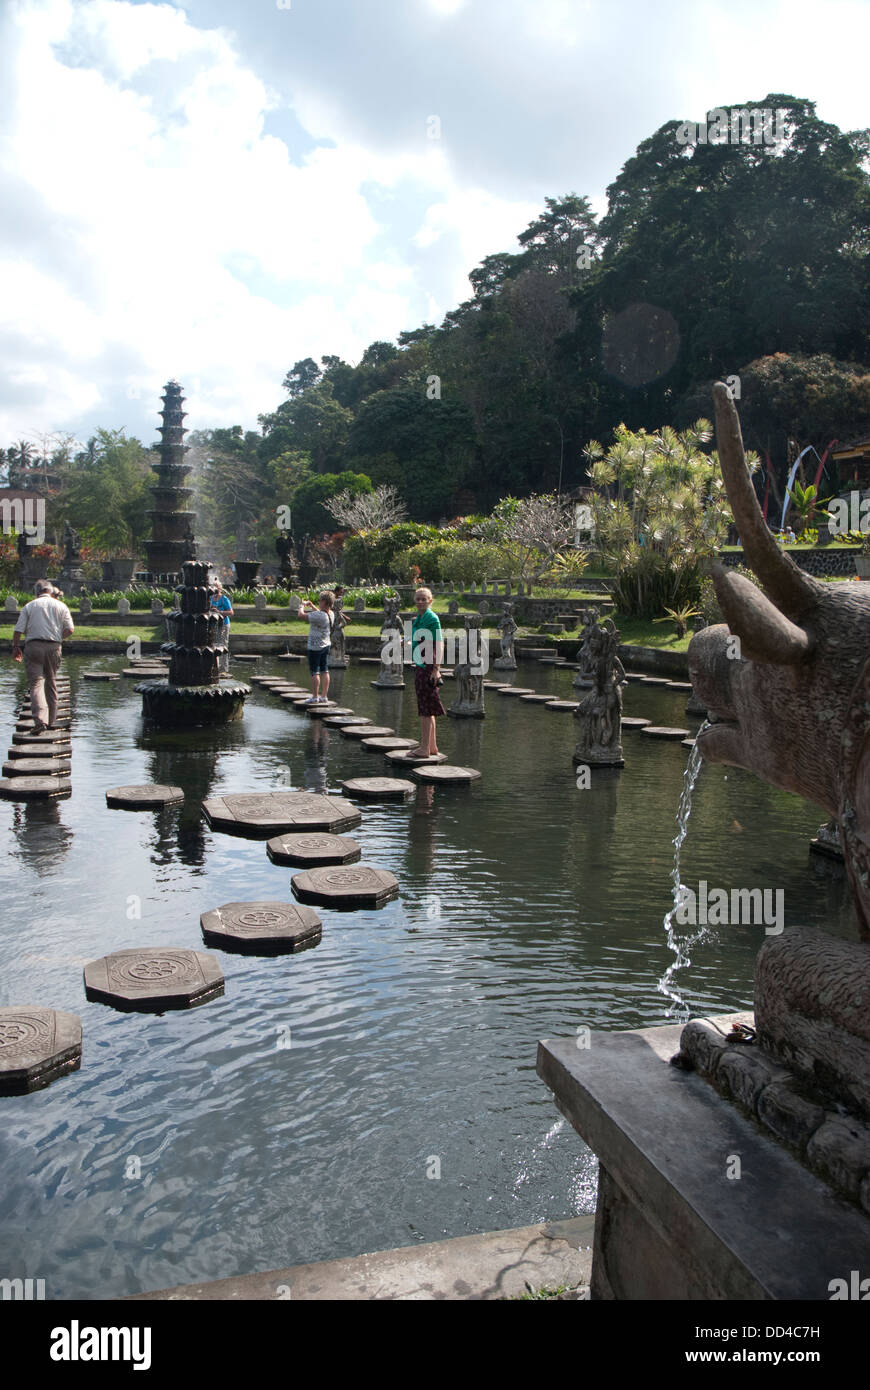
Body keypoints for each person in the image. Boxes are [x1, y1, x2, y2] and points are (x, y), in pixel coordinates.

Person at [12, 580, 74, 731]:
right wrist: (58, 638)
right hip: (54, 647)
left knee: (36, 684)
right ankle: (52, 720)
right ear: (51, 592)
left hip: (34, 646)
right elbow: (70, 629)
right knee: (51, 682)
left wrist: (15, 647)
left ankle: (40, 721)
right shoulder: (61, 606)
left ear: (36, 592)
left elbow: (18, 630)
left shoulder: (30, 606)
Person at [408, 587, 445, 758]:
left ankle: (423, 749)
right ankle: (432, 747)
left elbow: (439, 643)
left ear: (431, 601)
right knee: (428, 707)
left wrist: (436, 669)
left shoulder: (431, 618)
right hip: (421, 664)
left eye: (424, 599)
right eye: (418, 599)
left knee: (424, 709)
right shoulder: (419, 618)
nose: (420, 601)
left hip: (428, 666)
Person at [298, 591, 334, 701]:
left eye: (320, 600)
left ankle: (314, 697)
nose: (318, 602)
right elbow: (320, 613)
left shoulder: (319, 616)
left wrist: (301, 606)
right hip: (326, 645)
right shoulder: (330, 614)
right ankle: (324, 696)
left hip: (315, 647)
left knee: (315, 672)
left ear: (324, 602)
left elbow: (301, 615)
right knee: (325, 670)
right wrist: (312, 605)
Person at [210, 580, 233, 672]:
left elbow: (231, 612)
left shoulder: (224, 599)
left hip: (223, 624)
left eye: (216, 587)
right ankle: (215, 667)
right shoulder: (210, 598)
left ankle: (223, 669)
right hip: (213, 624)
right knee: (213, 645)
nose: (214, 589)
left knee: (223, 645)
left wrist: (220, 612)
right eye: (213, 587)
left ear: (220, 588)